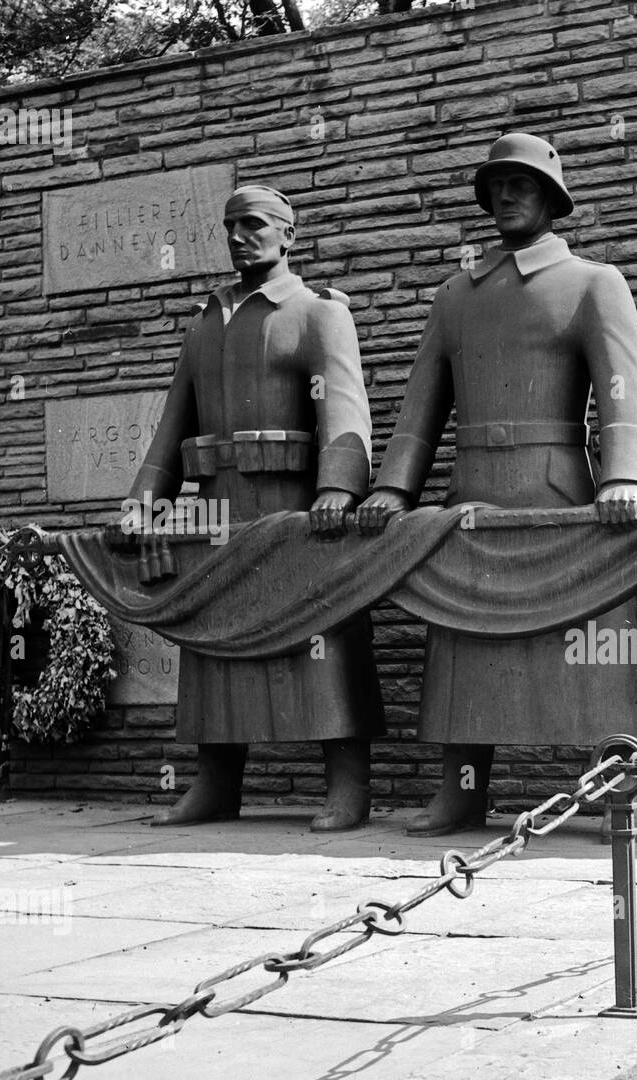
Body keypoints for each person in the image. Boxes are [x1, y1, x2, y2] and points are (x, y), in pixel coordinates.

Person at [358, 132, 637, 836]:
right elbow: (420, 407)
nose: (507, 192)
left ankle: (621, 790)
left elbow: (625, 388)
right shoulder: (454, 298)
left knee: (593, 650)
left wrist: (626, 478)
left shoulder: (593, 282)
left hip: (563, 495)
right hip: (471, 496)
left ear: (553, 198)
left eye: (522, 182)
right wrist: (395, 490)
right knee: (467, 648)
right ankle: (462, 792)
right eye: (496, 182)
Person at [123, 185, 384, 830]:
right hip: (216, 512)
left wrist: (338, 490)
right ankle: (216, 782)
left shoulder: (319, 313)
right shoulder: (206, 322)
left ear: (287, 234)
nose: (240, 236)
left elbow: (346, 412)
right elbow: (171, 427)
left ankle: (347, 786)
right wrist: (142, 503)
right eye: (231, 225)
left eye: (255, 224)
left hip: (295, 513)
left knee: (321, 645)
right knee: (215, 650)